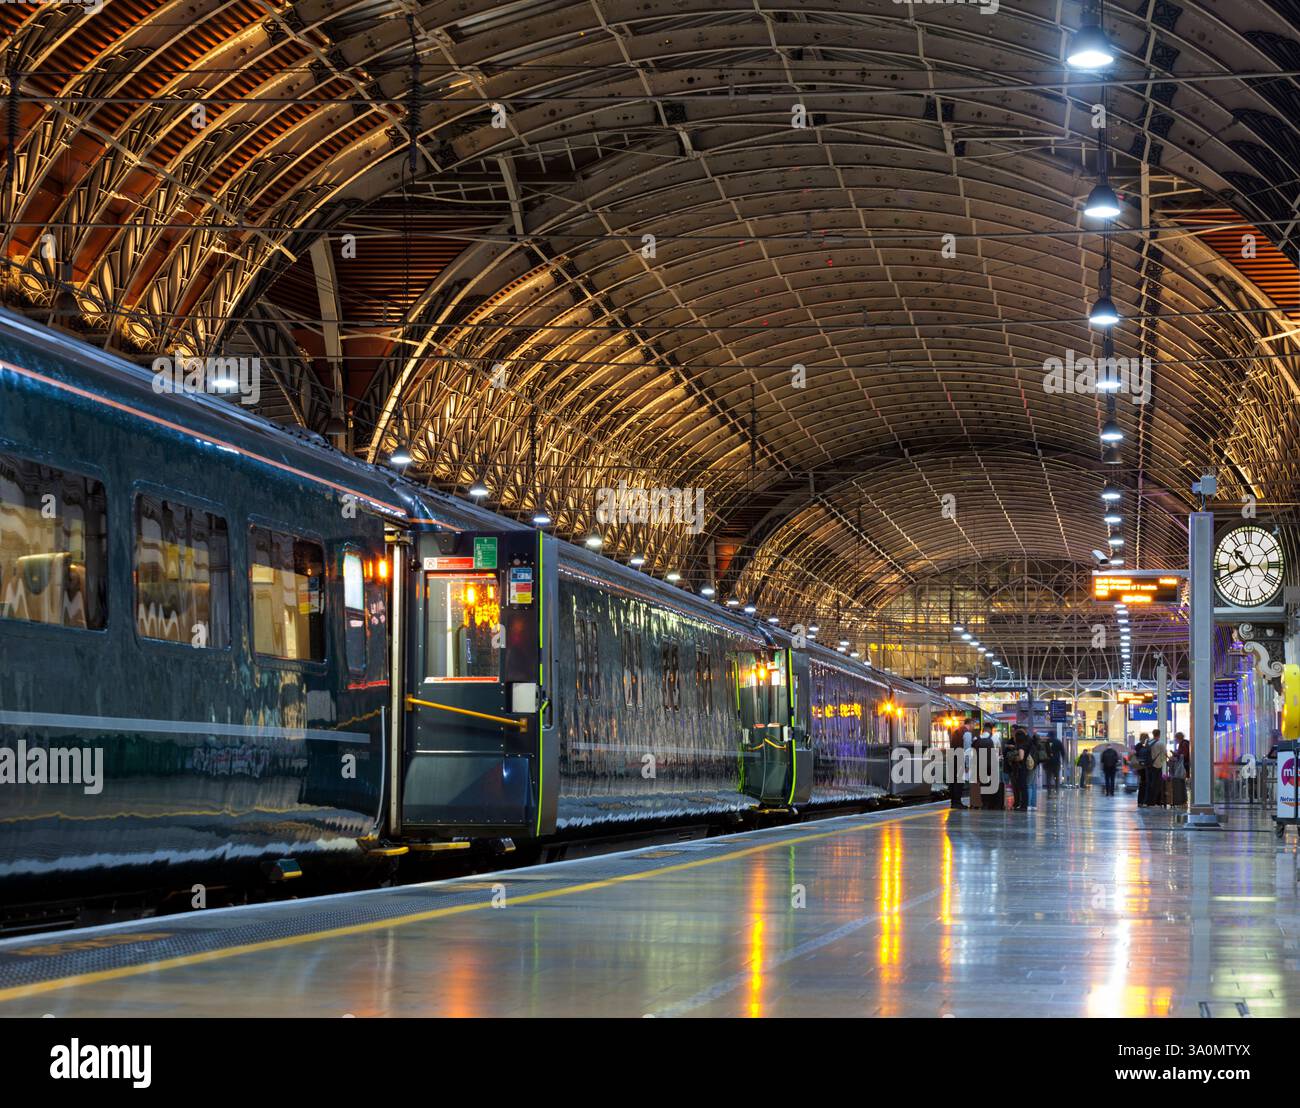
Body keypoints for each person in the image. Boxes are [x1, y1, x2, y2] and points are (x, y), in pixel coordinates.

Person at [949, 717, 973, 809]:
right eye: (973, 725)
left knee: (953, 781)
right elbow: (967, 750)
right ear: (970, 723)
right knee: (959, 782)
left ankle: (954, 802)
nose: (973, 727)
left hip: (953, 758)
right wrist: (967, 764)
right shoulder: (966, 733)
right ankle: (957, 802)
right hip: (960, 760)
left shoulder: (956, 731)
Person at [1008, 727, 1031, 811]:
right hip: (1024, 768)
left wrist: (1014, 759)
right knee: (1024, 787)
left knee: (1022, 787)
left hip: (1020, 768)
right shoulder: (1025, 743)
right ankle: (1024, 805)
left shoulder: (1021, 745)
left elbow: (1021, 757)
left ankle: (1023, 806)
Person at [1149, 729, 1168, 807]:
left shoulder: (1150, 743)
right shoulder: (1161, 743)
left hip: (1150, 765)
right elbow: (1165, 753)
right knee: (1157, 784)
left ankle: (1150, 801)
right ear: (1159, 734)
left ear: (1153, 734)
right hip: (1158, 765)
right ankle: (1156, 801)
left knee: (1151, 783)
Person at [1134, 733, 1152, 806]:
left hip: (1140, 767)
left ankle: (1140, 801)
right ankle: (1144, 801)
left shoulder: (1138, 746)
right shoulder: (1147, 746)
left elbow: (1136, 756)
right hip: (1145, 768)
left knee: (1142, 784)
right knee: (1145, 784)